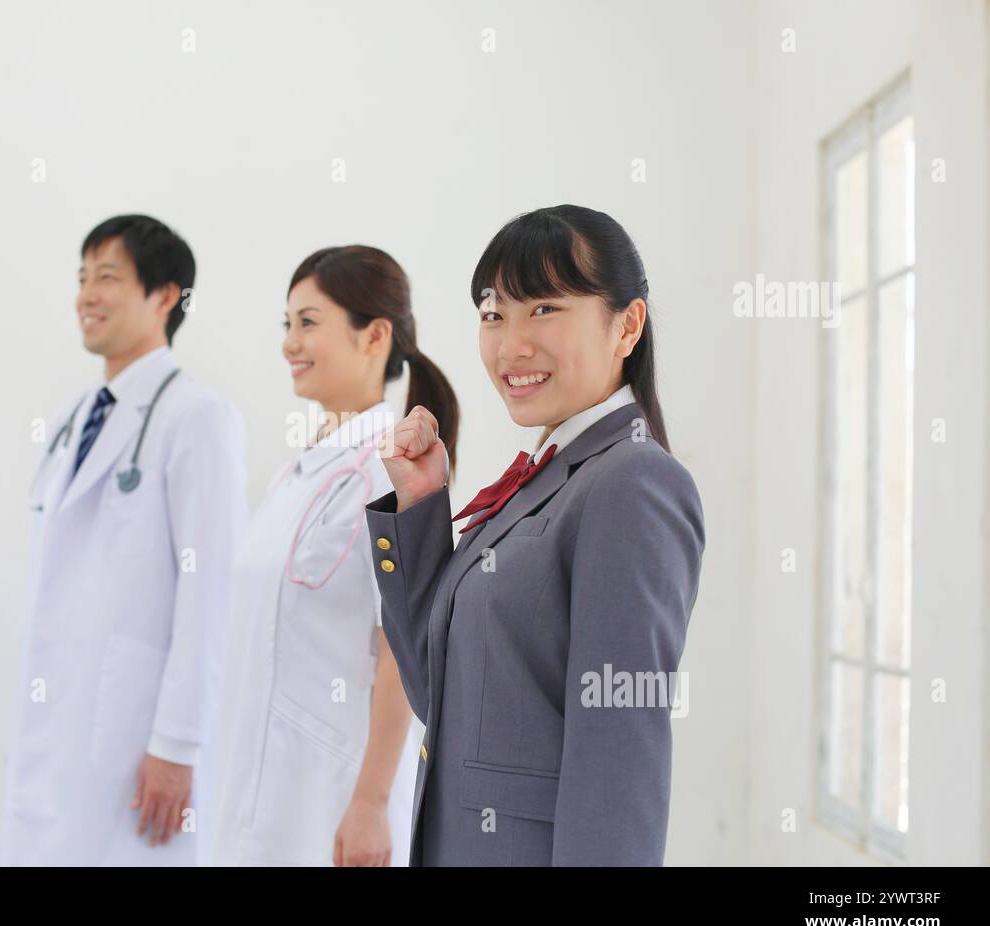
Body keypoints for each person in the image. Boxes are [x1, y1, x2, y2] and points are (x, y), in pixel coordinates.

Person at [365, 205, 705, 866]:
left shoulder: (632, 482)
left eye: (544, 309)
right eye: (494, 315)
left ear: (626, 325)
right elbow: (435, 690)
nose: (511, 345)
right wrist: (421, 503)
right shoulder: (547, 477)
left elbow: (619, 762)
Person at [0, 214, 247, 866]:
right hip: (59, 712)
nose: (86, 294)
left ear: (165, 295)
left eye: (107, 276)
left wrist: (178, 744)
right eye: (82, 277)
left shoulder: (198, 417)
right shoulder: (69, 420)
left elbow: (210, 591)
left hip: (135, 734)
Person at [211, 246, 459, 866]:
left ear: (373, 335)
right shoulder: (294, 475)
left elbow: (402, 649)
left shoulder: (391, 469)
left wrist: (372, 801)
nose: (289, 343)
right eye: (286, 325)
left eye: (309, 322)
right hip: (258, 788)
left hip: (338, 794)